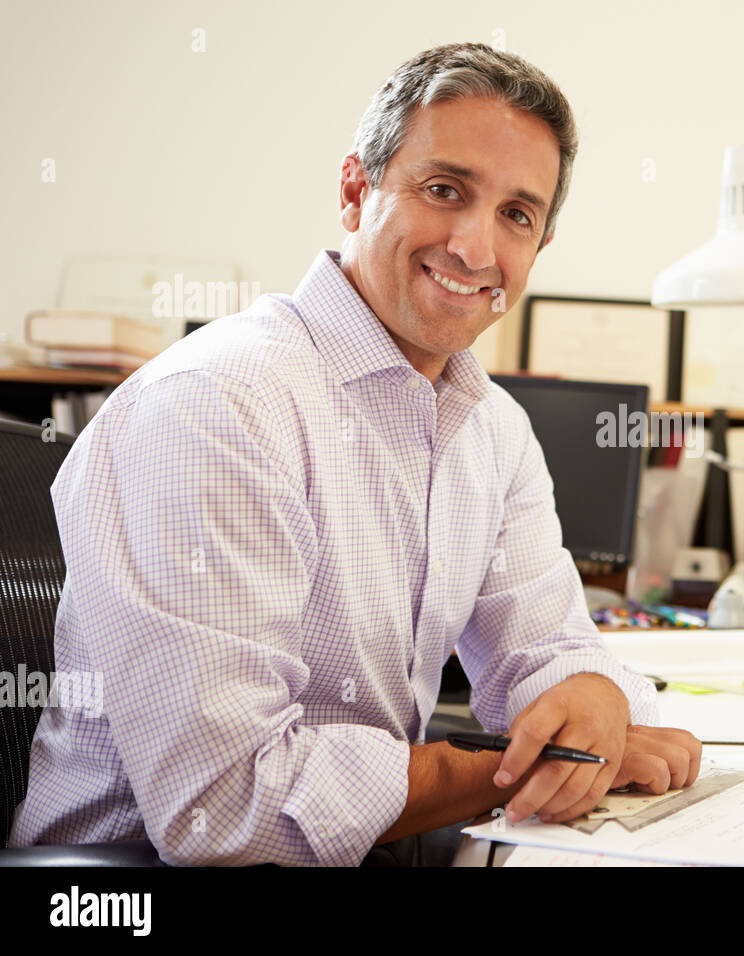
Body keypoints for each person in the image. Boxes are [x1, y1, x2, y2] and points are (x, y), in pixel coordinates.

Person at [9, 42, 702, 866]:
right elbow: (226, 810)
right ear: (354, 190)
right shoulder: (214, 405)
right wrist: (513, 769)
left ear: (538, 249)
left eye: (517, 215)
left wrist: (591, 699)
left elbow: (547, 646)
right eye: (445, 190)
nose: (478, 249)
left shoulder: (493, 428)